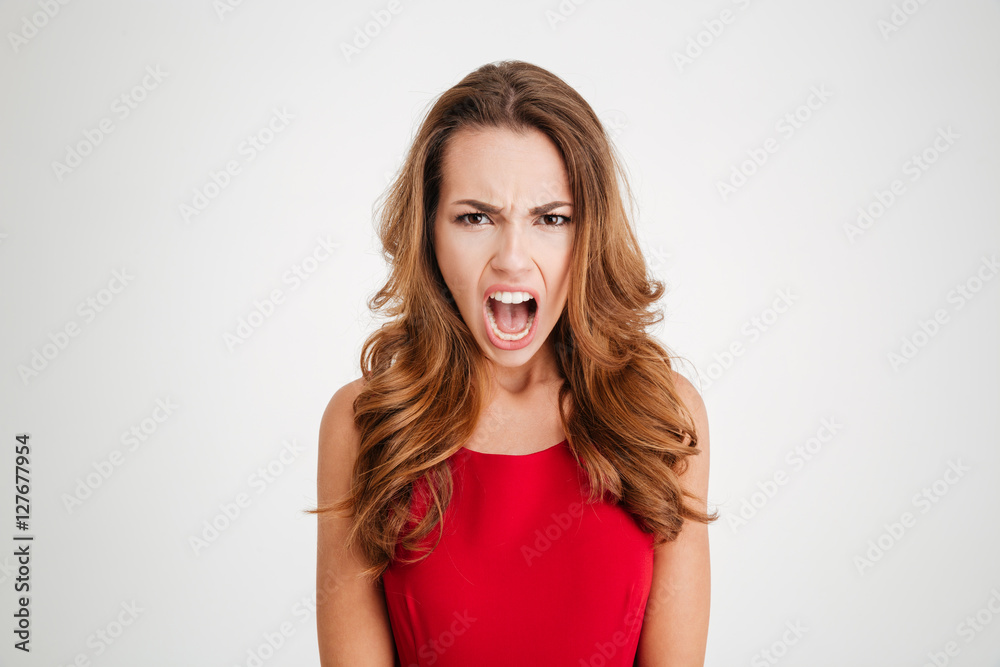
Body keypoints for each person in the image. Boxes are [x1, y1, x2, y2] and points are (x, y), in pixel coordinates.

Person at [312, 60, 717, 666]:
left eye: (551, 219)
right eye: (476, 217)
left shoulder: (660, 415)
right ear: (429, 233)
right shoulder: (366, 423)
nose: (511, 258)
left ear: (588, 236)